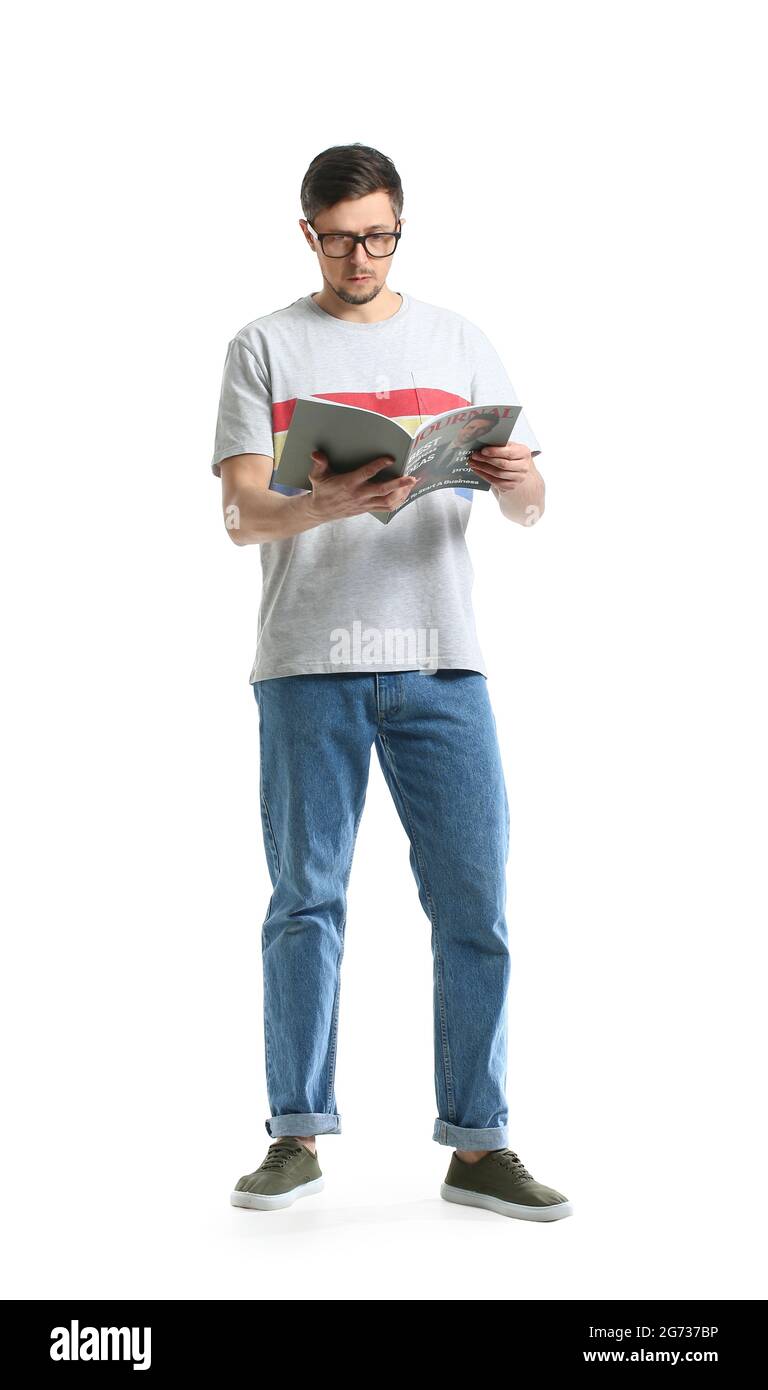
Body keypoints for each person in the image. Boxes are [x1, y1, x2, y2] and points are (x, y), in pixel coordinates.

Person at [210, 142, 572, 1222]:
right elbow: (237, 513)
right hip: (307, 661)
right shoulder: (264, 345)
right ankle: (295, 1132)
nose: (359, 256)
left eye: (378, 236)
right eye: (338, 238)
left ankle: (479, 1143)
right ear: (306, 231)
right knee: (304, 903)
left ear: (399, 228)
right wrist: (330, 503)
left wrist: (518, 481)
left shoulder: (460, 339)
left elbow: (533, 510)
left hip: (441, 657)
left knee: (476, 902)